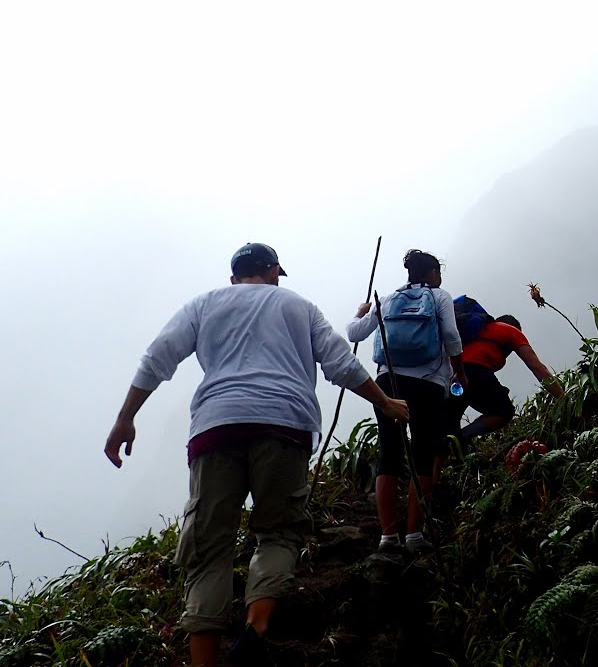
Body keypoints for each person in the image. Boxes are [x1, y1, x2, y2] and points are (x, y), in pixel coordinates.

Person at [103, 242, 410, 667]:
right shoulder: (298, 306)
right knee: (279, 533)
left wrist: (125, 418)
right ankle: (256, 625)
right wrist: (385, 402)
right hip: (284, 425)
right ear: (273, 273)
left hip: (216, 427)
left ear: (234, 278)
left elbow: (158, 356)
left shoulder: (204, 304)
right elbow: (340, 362)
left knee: (208, 548)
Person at [347, 249, 464, 556]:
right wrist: (460, 373)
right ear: (433, 274)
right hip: (427, 383)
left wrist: (360, 312)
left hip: (388, 383)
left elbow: (353, 334)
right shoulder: (439, 296)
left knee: (389, 452)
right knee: (423, 452)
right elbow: (451, 337)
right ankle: (414, 535)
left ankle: (387, 537)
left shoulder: (386, 300)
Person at [448, 314, 563, 442]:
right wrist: (563, 400)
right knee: (503, 412)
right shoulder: (511, 331)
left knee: (449, 424)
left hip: (451, 375)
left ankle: (449, 445)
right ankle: (461, 438)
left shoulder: (477, 332)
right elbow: (538, 368)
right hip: (475, 371)